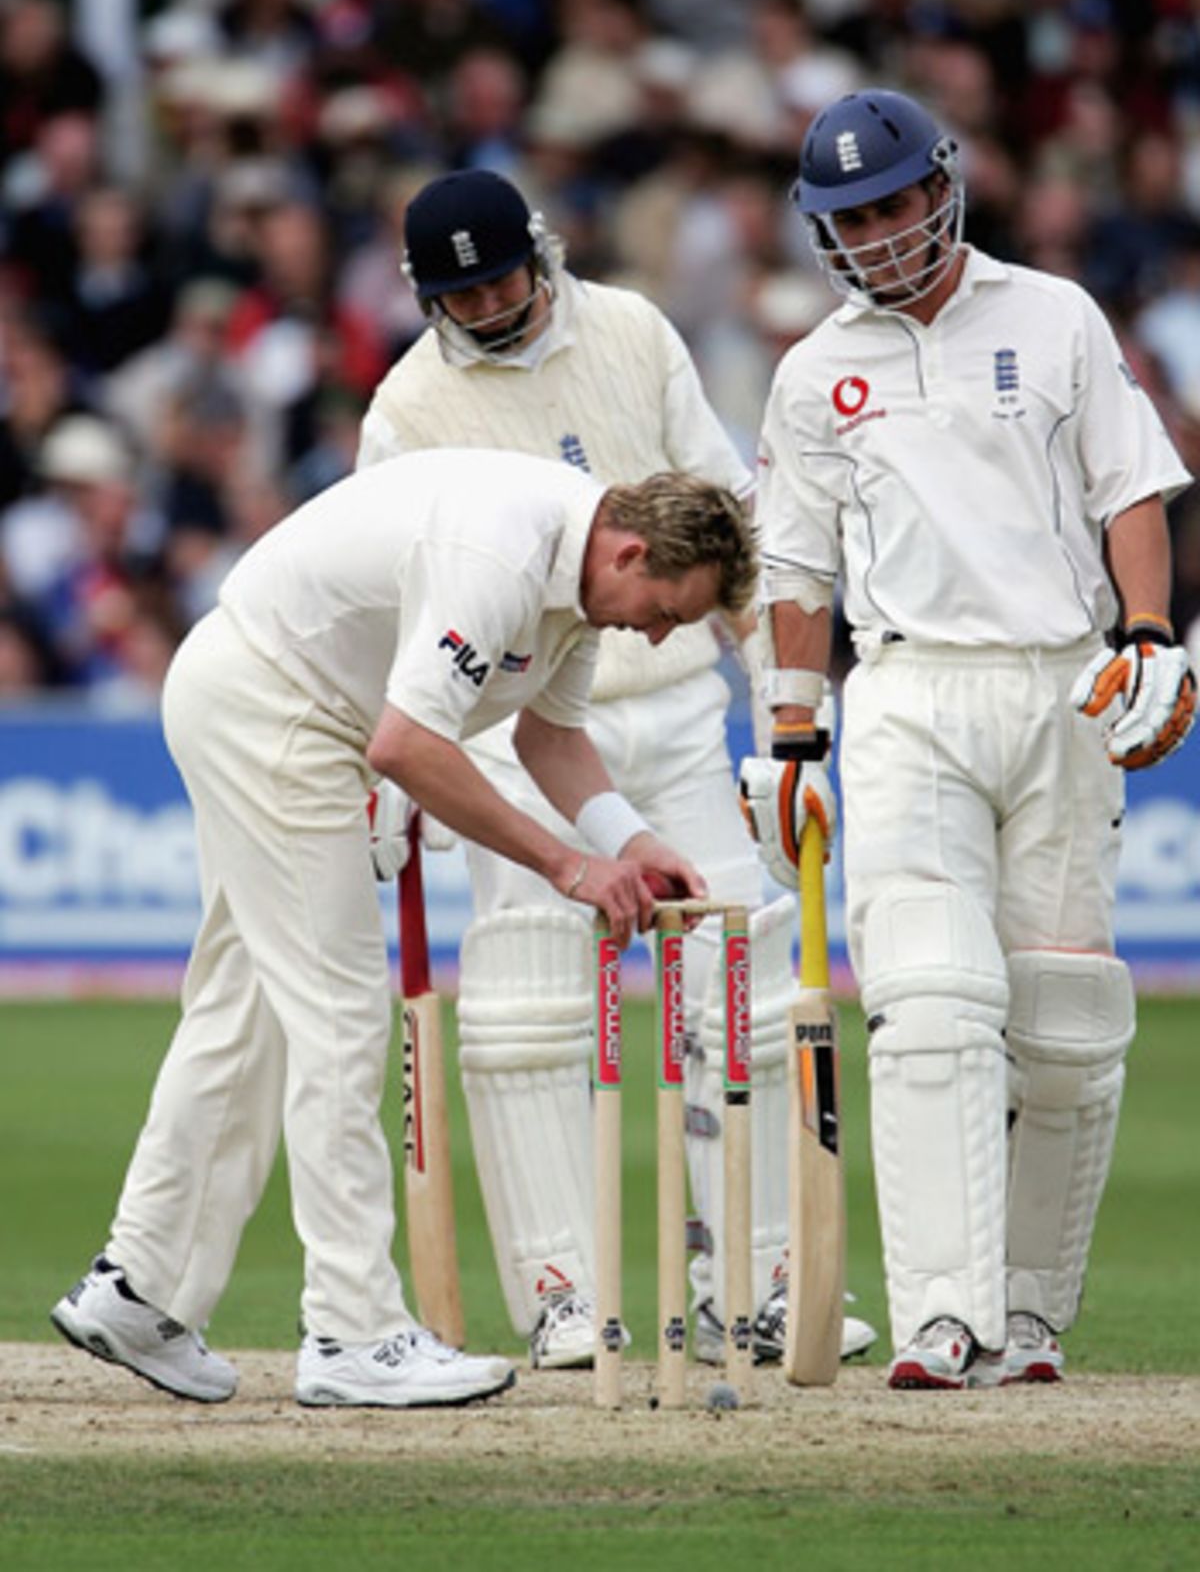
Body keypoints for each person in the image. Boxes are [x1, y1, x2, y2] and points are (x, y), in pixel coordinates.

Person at [51, 449, 757, 1409]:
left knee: (246, 1009)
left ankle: (139, 1287)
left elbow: (548, 737)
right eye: (666, 609)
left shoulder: (583, 587)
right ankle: (352, 1330)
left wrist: (630, 841)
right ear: (631, 553)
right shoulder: (503, 553)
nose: (656, 631)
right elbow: (407, 744)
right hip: (276, 712)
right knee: (339, 1018)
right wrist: (566, 866)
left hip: (266, 703)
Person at [356, 167, 877, 1370]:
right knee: (532, 1015)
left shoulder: (633, 332)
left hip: (674, 706)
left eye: (501, 280)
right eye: (461, 292)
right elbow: (395, 594)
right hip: (510, 729)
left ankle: (750, 1281)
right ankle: (565, 1292)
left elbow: (731, 523)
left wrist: (788, 712)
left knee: (732, 991)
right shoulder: (405, 406)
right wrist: (396, 771)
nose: (487, 306)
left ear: (539, 254)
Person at [741, 88, 1196, 1389]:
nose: (878, 235)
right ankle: (947, 1315)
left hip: (1062, 682)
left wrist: (1150, 636)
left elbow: (1132, 490)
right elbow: (795, 566)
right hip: (905, 694)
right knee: (933, 1005)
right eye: (849, 218)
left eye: (891, 203)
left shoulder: (1053, 316)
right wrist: (790, 734)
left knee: (1061, 1022)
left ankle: (1034, 1315)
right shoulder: (809, 369)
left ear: (942, 185)